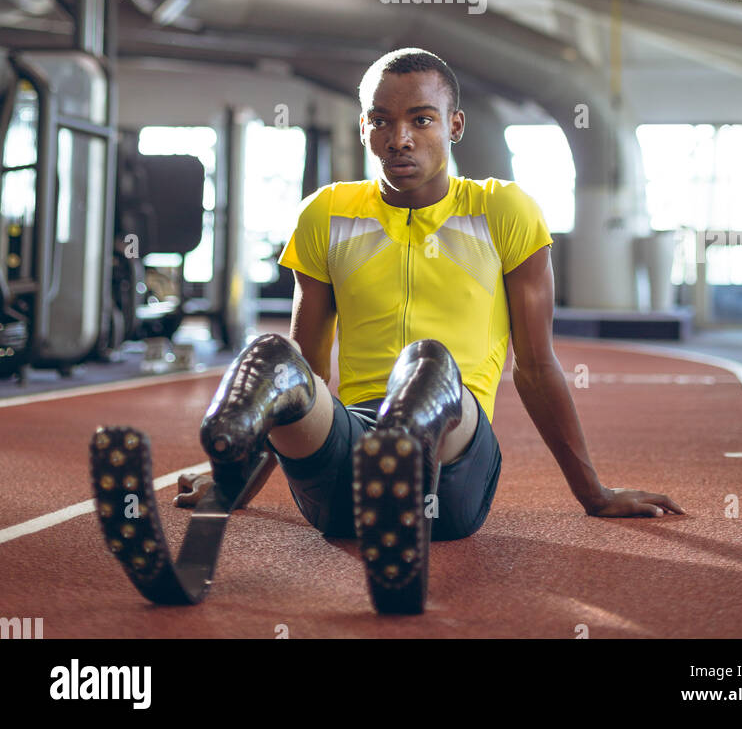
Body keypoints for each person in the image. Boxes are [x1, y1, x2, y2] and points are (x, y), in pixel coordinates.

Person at [177, 47, 683, 612]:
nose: (400, 138)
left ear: (455, 125)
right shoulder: (326, 214)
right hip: (345, 476)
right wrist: (239, 481)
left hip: (453, 470)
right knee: (273, 355)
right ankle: (219, 495)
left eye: (421, 119)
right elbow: (309, 377)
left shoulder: (503, 212)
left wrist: (594, 494)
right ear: (364, 126)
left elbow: (536, 366)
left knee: (427, 361)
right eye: (381, 121)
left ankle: (407, 457)